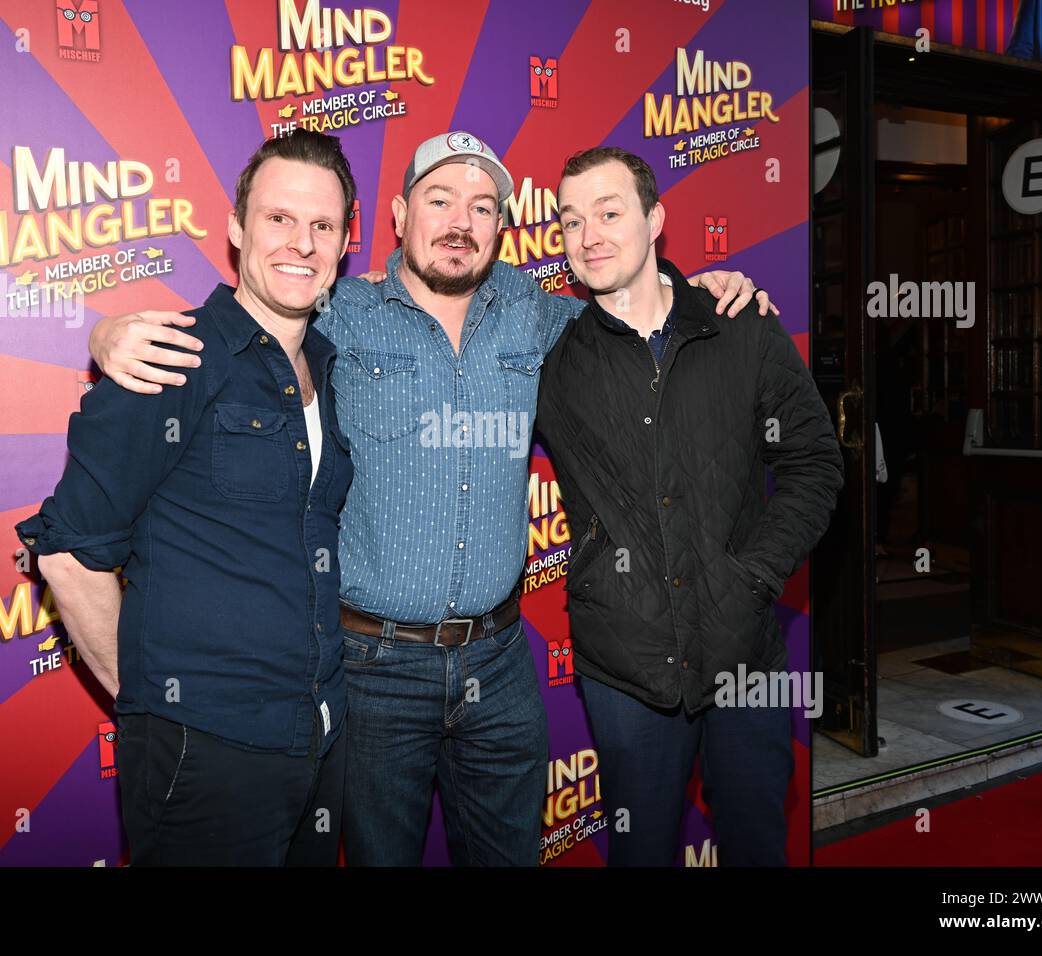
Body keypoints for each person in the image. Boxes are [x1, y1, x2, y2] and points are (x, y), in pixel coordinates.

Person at [88, 130, 774, 866]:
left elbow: (637, 318)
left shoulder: (535, 314)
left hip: (502, 664)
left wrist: (703, 289)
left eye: (483, 208)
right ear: (395, 215)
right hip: (372, 667)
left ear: (502, 228)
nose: (460, 222)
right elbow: (247, 318)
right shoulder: (334, 313)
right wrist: (108, 335)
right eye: (440, 199)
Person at [16, 129, 356, 866]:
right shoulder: (171, 356)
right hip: (207, 758)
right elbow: (69, 556)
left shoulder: (330, 366)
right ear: (236, 229)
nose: (301, 242)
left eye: (322, 226)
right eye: (279, 219)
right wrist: (154, 711)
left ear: (344, 242)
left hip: (320, 739)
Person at [535, 146, 843, 866]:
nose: (590, 235)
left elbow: (814, 462)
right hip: (626, 669)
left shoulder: (740, 325)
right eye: (572, 221)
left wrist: (754, 576)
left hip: (743, 655)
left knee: (756, 841)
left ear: (655, 220)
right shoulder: (552, 359)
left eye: (610, 213)